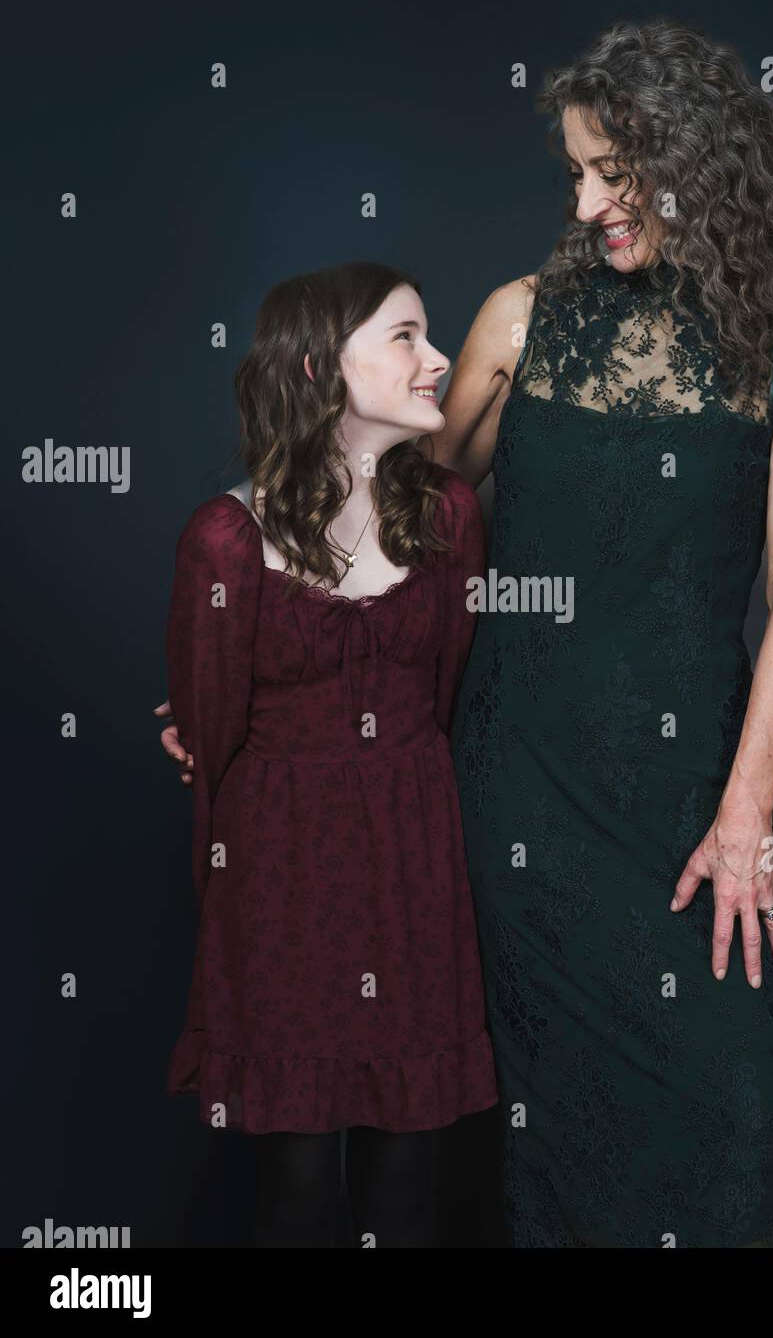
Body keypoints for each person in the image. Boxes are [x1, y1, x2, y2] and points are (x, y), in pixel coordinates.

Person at [425, 17, 773, 1246]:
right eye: (574, 174)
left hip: (687, 800)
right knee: (544, 1138)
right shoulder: (517, 320)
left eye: (614, 169)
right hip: (520, 789)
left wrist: (746, 814)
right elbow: (406, 524)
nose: (590, 200)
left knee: (731, 1125)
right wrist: (251, 650)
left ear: (697, 158)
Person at [159, 260, 497, 1247]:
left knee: (409, 1184)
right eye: (406, 336)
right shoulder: (224, 541)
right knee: (298, 1187)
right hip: (283, 882)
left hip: (412, 872)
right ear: (318, 369)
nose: (438, 359)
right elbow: (211, 747)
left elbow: (446, 694)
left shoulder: (448, 518)